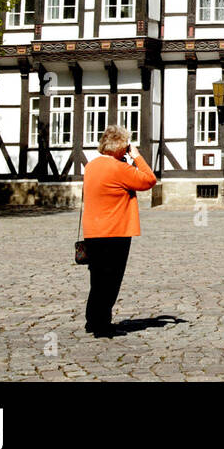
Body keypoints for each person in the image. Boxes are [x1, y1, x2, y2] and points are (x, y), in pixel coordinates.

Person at [82, 125, 157, 337]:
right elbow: (149, 180)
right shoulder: (119, 168)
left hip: (93, 231)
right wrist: (137, 157)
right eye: (126, 145)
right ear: (119, 146)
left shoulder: (91, 166)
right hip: (115, 231)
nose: (127, 149)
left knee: (97, 279)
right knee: (111, 279)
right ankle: (102, 325)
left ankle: (92, 320)